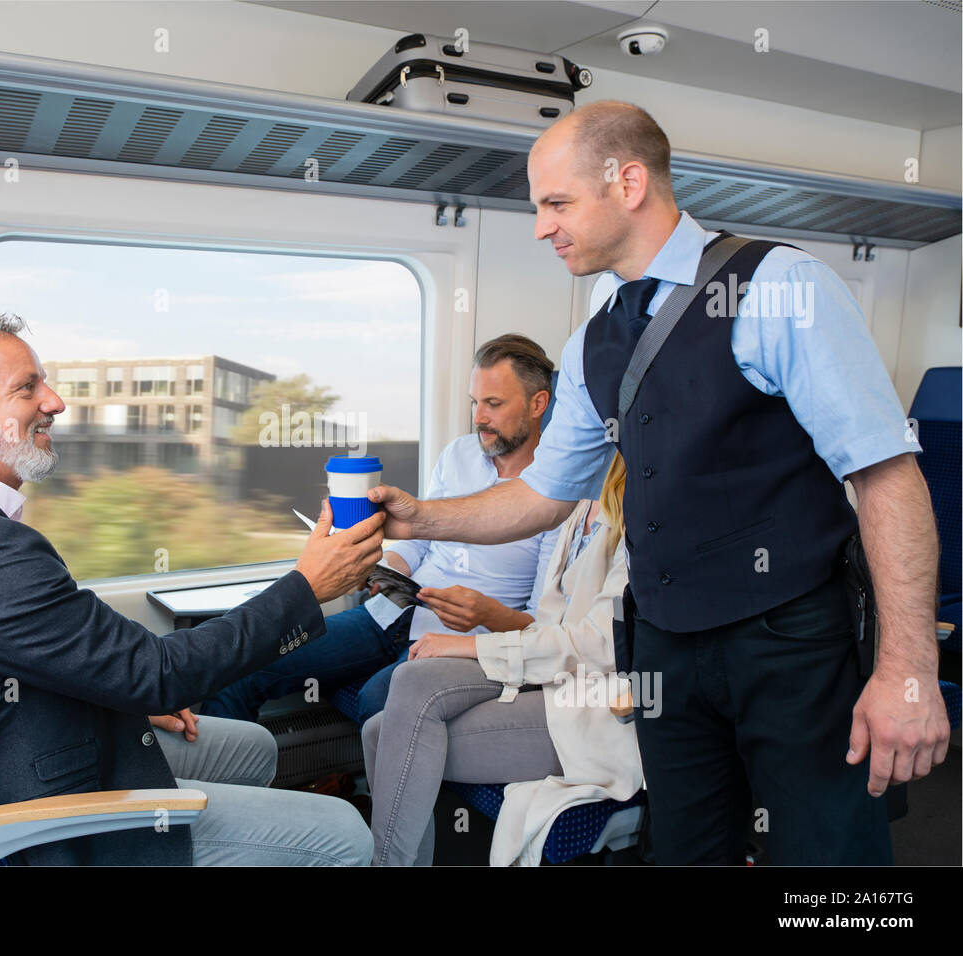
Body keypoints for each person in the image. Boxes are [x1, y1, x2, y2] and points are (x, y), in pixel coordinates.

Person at [367, 100, 950, 865]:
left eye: (556, 203)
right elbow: (544, 494)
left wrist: (908, 671)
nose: (542, 226)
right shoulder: (591, 345)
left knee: (826, 860)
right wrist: (418, 518)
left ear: (629, 182)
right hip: (664, 652)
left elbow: (886, 479)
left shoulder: (776, 286)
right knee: (686, 852)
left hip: (791, 643)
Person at [0, 309, 384, 866]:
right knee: (345, 832)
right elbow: (158, 675)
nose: (55, 402)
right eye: (27, 388)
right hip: (57, 815)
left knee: (253, 748)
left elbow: (46, 655)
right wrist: (307, 586)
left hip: (42, 738)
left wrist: (122, 691)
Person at [198, 334, 560, 726]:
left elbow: (543, 628)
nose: (478, 419)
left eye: (493, 404)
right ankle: (236, 785)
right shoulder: (459, 454)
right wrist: (382, 568)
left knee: (379, 703)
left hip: (464, 639)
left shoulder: (560, 495)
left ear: (538, 403)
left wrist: (487, 612)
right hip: (391, 612)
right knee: (245, 666)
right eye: (475, 403)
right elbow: (422, 542)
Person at [363, 452, 641, 866]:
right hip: (544, 672)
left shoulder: (642, 516)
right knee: (397, 699)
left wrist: (472, 644)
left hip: (590, 705)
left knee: (389, 736)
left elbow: (597, 645)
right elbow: (547, 624)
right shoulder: (576, 506)